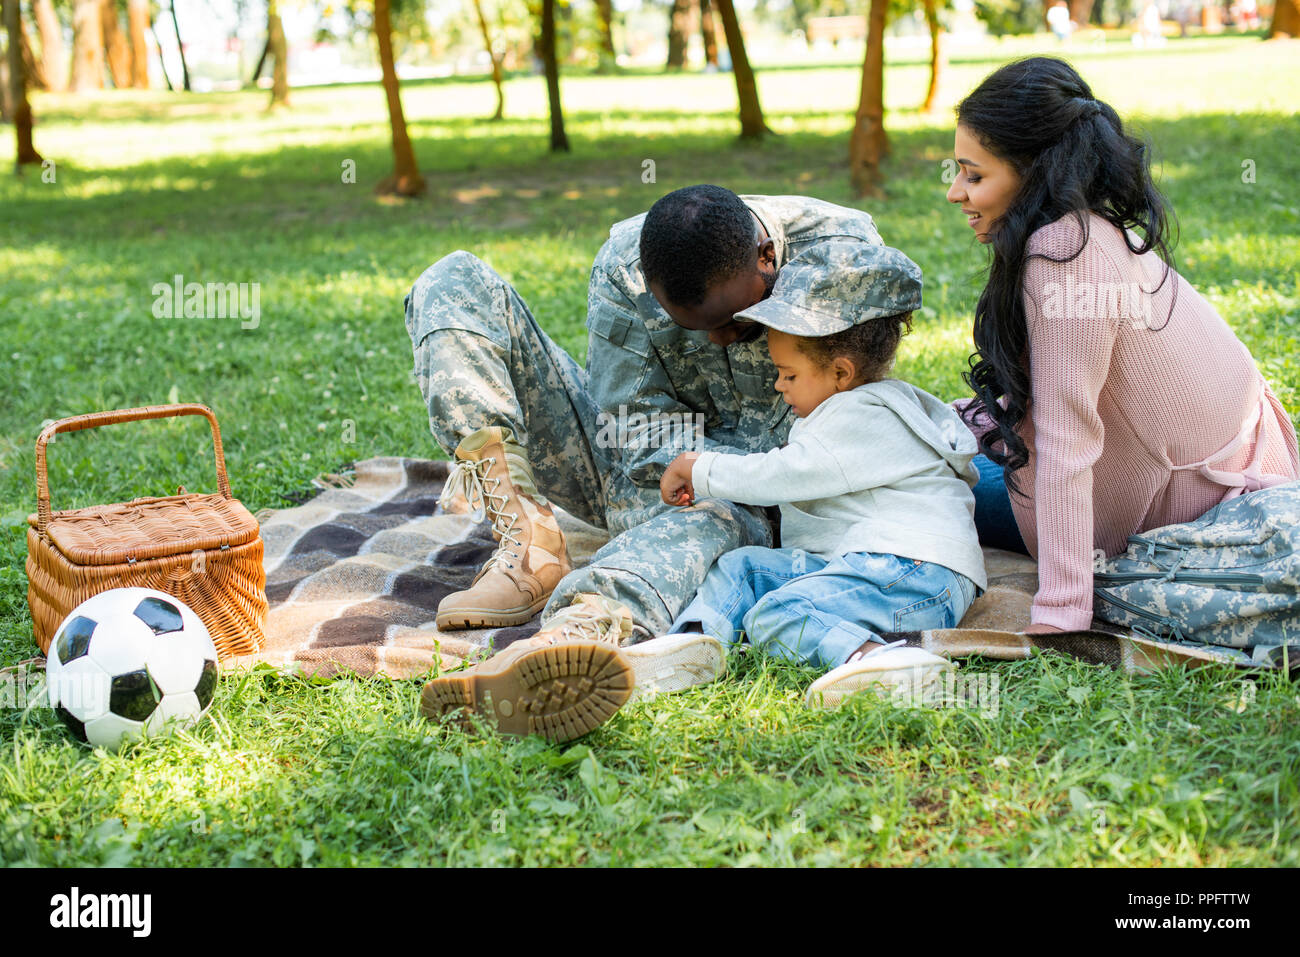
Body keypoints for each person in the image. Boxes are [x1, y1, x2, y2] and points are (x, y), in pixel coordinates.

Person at [412, 185, 891, 738]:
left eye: (737, 323)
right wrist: (682, 470)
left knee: (714, 508)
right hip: (648, 469)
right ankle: (531, 543)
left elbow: (853, 414)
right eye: (695, 327)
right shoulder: (625, 265)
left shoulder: (843, 253)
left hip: (780, 486)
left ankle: (577, 633)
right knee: (452, 280)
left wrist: (715, 477)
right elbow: (630, 422)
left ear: (767, 257)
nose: (717, 339)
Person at [944, 57, 1299, 636]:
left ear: (1034, 172)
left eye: (974, 175)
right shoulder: (1092, 228)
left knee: (908, 476)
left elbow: (1066, 440)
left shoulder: (1062, 256)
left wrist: (1061, 612)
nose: (955, 192)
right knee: (934, 430)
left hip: (1176, 510)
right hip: (1234, 469)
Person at [657, 243, 987, 708]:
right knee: (743, 567)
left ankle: (879, 663)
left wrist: (702, 467)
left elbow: (787, 474)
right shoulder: (856, 406)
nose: (778, 384)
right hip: (878, 567)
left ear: (840, 371)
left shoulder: (863, 414)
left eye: (787, 375)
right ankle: (692, 643)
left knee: (781, 613)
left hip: (914, 572)